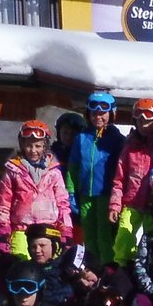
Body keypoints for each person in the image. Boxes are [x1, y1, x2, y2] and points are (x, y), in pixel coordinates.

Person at [0, 119, 74, 255]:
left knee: (48, 264)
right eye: (29, 146)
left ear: (45, 146)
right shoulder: (13, 170)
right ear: (22, 145)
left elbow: (62, 202)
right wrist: (3, 227)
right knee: (21, 260)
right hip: (21, 228)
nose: (33, 150)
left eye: (37, 146)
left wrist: (66, 228)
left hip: (48, 228)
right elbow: (4, 202)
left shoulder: (53, 171)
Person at [67, 91, 126, 270]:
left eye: (102, 113)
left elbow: (122, 169)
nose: (97, 117)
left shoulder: (117, 139)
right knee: (89, 234)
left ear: (111, 114)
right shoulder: (82, 138)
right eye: (94, 113)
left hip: (106, 194)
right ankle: (93, 267)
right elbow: (73, 166)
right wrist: (71, 191)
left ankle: (108, 267)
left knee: (104, 234)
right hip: (85, 194)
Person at [107, 100, 153, 266]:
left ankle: (148, 267)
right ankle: (123, 268)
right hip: (131, 203)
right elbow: (119, 179)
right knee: (123, 237)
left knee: (151, 240)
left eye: (148, 121)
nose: (143, 125)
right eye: (140, 121)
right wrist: (115, 205)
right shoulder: (129, 147)